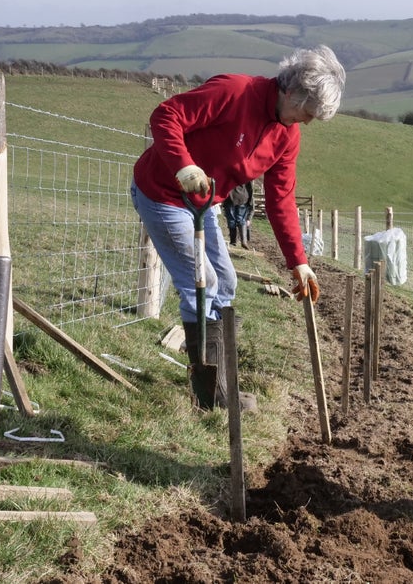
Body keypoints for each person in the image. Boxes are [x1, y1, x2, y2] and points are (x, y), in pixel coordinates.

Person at [132, 45, 345, 409]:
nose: (306, 121)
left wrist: (299, 262)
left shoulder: (287, 135)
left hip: (206, 203)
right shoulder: (234, 92)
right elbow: (166, 116)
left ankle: (220, 379)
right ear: (290, 89)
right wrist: (184, 166)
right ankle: (209, 395)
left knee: (226, 283)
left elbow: (281, 201)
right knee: (203, 284)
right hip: (164, 195)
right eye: (306, 112)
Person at [223, 181, 255, 248]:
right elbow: (250, 186)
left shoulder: (227, 171)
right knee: (241, 219)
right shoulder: (245, 172)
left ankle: (233, 241)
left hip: (229, 197)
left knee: (231, 220)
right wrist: (250, 200)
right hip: (242, 196)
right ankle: (244, 241)